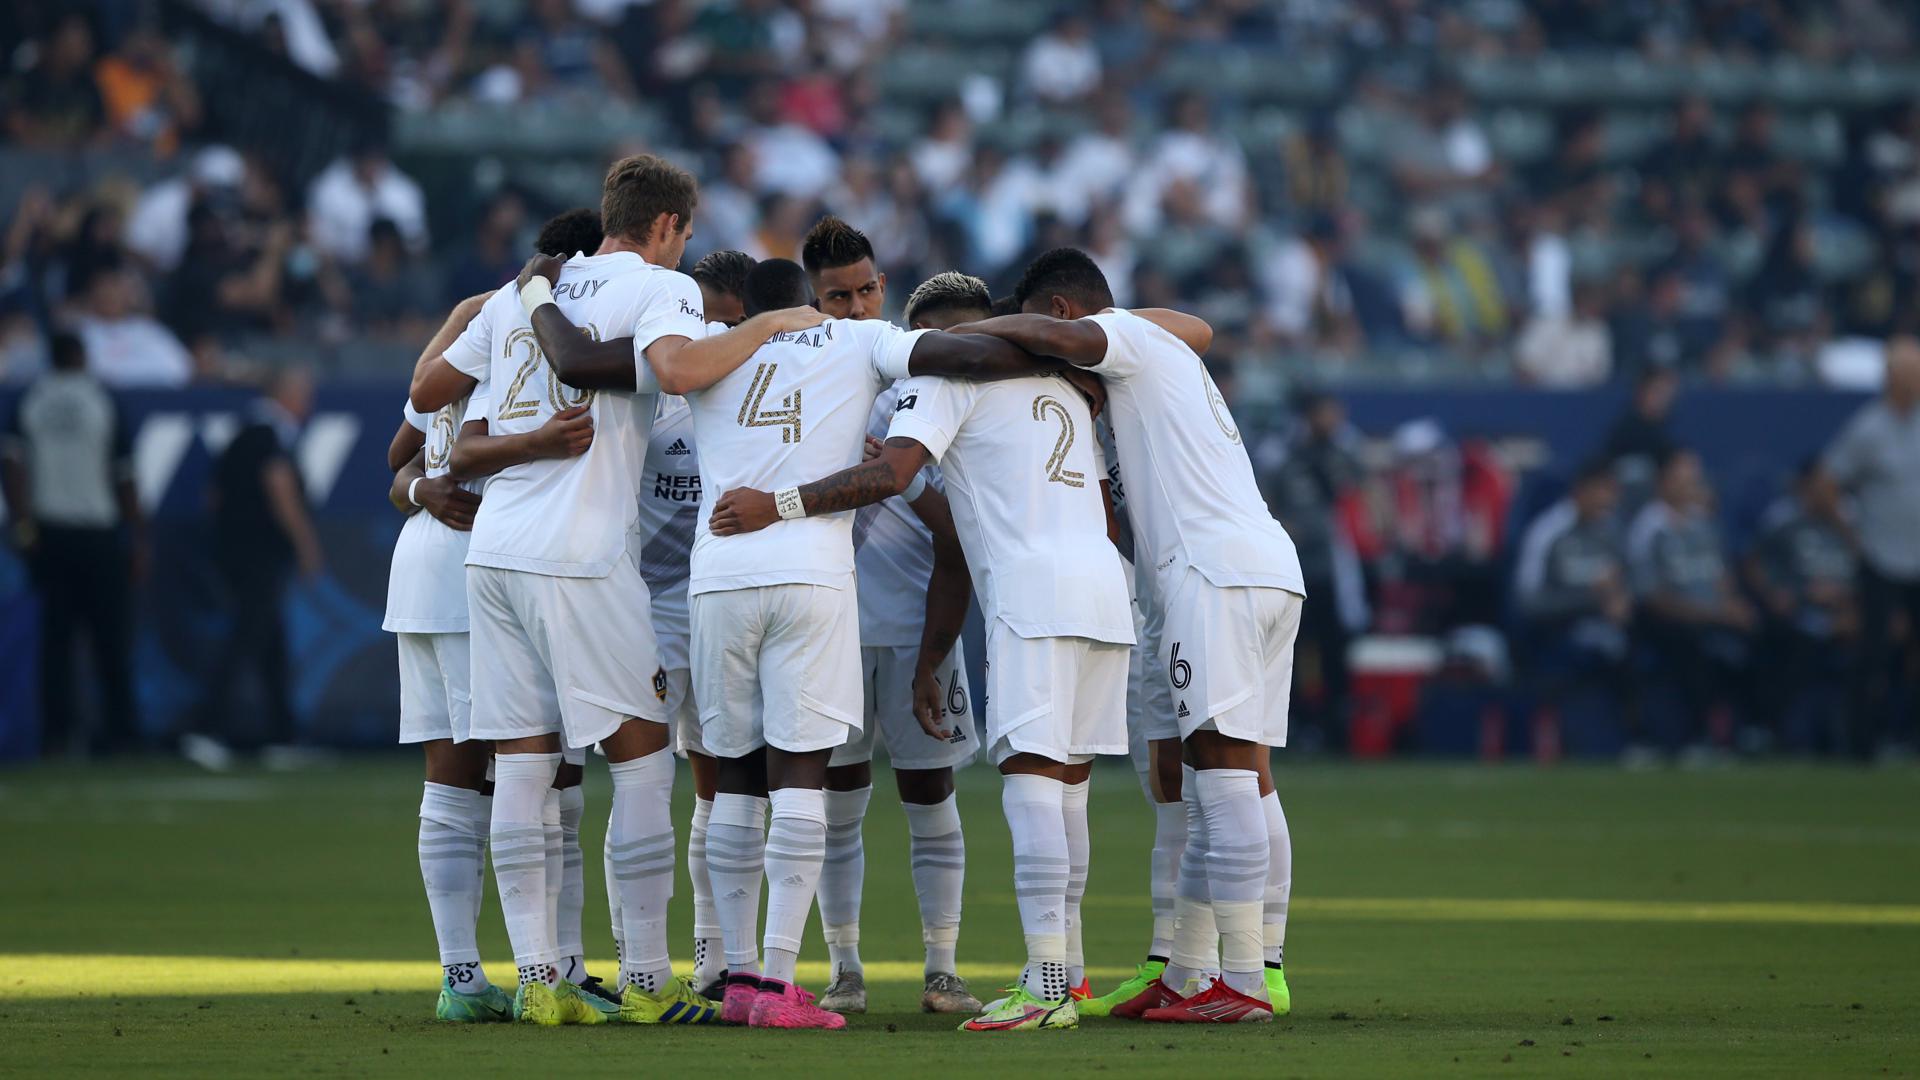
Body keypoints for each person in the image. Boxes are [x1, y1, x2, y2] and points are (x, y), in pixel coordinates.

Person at [520, 255, 1083, 1029]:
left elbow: (580, 362)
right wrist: (1070, 343)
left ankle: (738, 974)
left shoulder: (699, 354)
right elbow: (966, 352)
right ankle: (781, 985)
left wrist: (536, 292)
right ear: (810, 303)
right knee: (800, 780)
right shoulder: (860, 342)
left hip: (716, 579)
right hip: (810, 577)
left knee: (733, 786)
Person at [706, 270, 1212, 1031]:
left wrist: (775, 503)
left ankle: (1044, 987)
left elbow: (891, 473)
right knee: (1068, 788)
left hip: (1033, 593)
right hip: (1107, 590)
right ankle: (1066, 975)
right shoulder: (1070, 382)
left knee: (1033, 784)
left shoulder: (944, 376)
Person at [409, 153, 816, 1027]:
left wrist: (514, 308)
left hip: (496, 551)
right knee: (640, 760)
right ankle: (642, 980)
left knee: (522, 762)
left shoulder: (531, 290)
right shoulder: (657, 289)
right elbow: (675, 372)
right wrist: (767, 329)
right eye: (686, 234)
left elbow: (433, 391)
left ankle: (538, 981)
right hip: (581, 552)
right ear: (668, 227)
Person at [941, 248, 1304, 1024]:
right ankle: (1216, 970)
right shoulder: (1158, 345)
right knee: (1235, 771)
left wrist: (956, 338)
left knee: (1225, 770)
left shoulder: (1120, 338)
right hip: (1265, 564)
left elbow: (1079, 337)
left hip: (1213, 574)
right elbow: (1198, 326)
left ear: (1066, 316)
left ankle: (1241, 982)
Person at [382, 209, 609, 1024]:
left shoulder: (473, 319)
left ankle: (462, 977)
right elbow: (416, 461)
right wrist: (427, 484)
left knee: (455, 776)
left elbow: (398, 458)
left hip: (427, 566)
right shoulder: (546, 328)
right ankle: (559, 969)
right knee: (546, 775)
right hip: (499, 563)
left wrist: (418, 488)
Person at [797, 217, 982, 1017]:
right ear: (813, 300)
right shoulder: (800, 377)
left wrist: (895, 479)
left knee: (929, 792)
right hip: (830, 622)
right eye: (836, 295)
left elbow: (957, 526)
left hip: (917, 619)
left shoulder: (918, 379)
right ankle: (845, 969)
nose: (854, 304)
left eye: (866, 288)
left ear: (884, 288)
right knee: (838, 807)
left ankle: (942, 968)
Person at [622, 246, 755, 1003]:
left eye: (727, 324)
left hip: (721, 597)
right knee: (640, 779)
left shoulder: (753, 392)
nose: (712, 338)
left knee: (719, 778)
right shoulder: (653, 388)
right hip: (646, 599)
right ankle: (636, 960)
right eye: (702, 320)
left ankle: (714, 959)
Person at [0, 332, 146, 757]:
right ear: (83, 357)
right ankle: (121, 733)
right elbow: (125, 476)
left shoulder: (33, 400)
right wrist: (137, 538)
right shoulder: (102, 399)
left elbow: (12, 467)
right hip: (98, 533)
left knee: (55, 643)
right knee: (111, 641)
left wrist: (24, 528)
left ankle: (57, 734)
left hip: (49, 534)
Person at [190, 366, 324, 768]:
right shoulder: (269, 434)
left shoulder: (243, 433)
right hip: (259, 554)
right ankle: (206, 728)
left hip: (238, 551)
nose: (307, 404)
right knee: (249, 637)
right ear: (284, 394)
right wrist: (305, 545)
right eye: (302, 394)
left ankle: (280, 734)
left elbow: (213, 496)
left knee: (269, 642)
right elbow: (279, 487)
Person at [1824, 336, 1920, 757]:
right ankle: (1861, 742)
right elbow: (1826, 483)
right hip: (1881, 555)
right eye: (1910, 371)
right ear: (1891, 377)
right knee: (1873, 652)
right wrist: (1852, 535)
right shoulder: (1868, 427)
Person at [1626, 449, 1756, 756]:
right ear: (1662, 482)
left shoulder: (1704, 523)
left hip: (1710, 615)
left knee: (1760, 630)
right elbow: (1652, 597)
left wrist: (1733, 606)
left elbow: (1722, 576)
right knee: (1692, 644)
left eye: (1693, 479)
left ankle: (1756, 731)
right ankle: (1695, 738)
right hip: (1664, 620)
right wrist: (1715, 614)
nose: (1690, 486)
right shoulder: (1649, 527)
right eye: (1682, 479)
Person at [1512, 460, 1633, 737]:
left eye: (1612, 492)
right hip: (1555, 630)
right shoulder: (1547, 532)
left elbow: (1630, 581)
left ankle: (1639, 738)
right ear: (1580, 491)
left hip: (1609, 628)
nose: (1609, 500)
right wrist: (1593, 601)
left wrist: (1622, 600)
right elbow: (1528, 602)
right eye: (1602, 491)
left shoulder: (1611, 529)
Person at [1744, 462, 1858, 752]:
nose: (1827, 492)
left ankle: (1872, 733)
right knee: (1793, 646)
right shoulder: (1783, 519)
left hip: (1848, 613)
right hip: (1800, 612)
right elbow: (1754, 564)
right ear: (1804, 487)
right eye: (1821, 485)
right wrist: (1776, 596)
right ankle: (1779, 734)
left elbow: (1871, 569)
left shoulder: (1848, 518)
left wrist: (1840, 522)